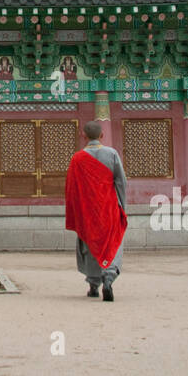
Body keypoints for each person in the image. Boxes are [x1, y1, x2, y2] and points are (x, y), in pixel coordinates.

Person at [64, 122, 127, 302]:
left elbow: (71, 188)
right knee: (112, 242)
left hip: (87, 211)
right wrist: (122, 205)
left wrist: (75, 212)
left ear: (84, 136)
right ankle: (109, 275)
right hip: (109, 208)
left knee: (90, 245)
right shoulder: (112, 154)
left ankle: (93, 285)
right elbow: (121, 182)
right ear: (102, 136)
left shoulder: (77, 158)